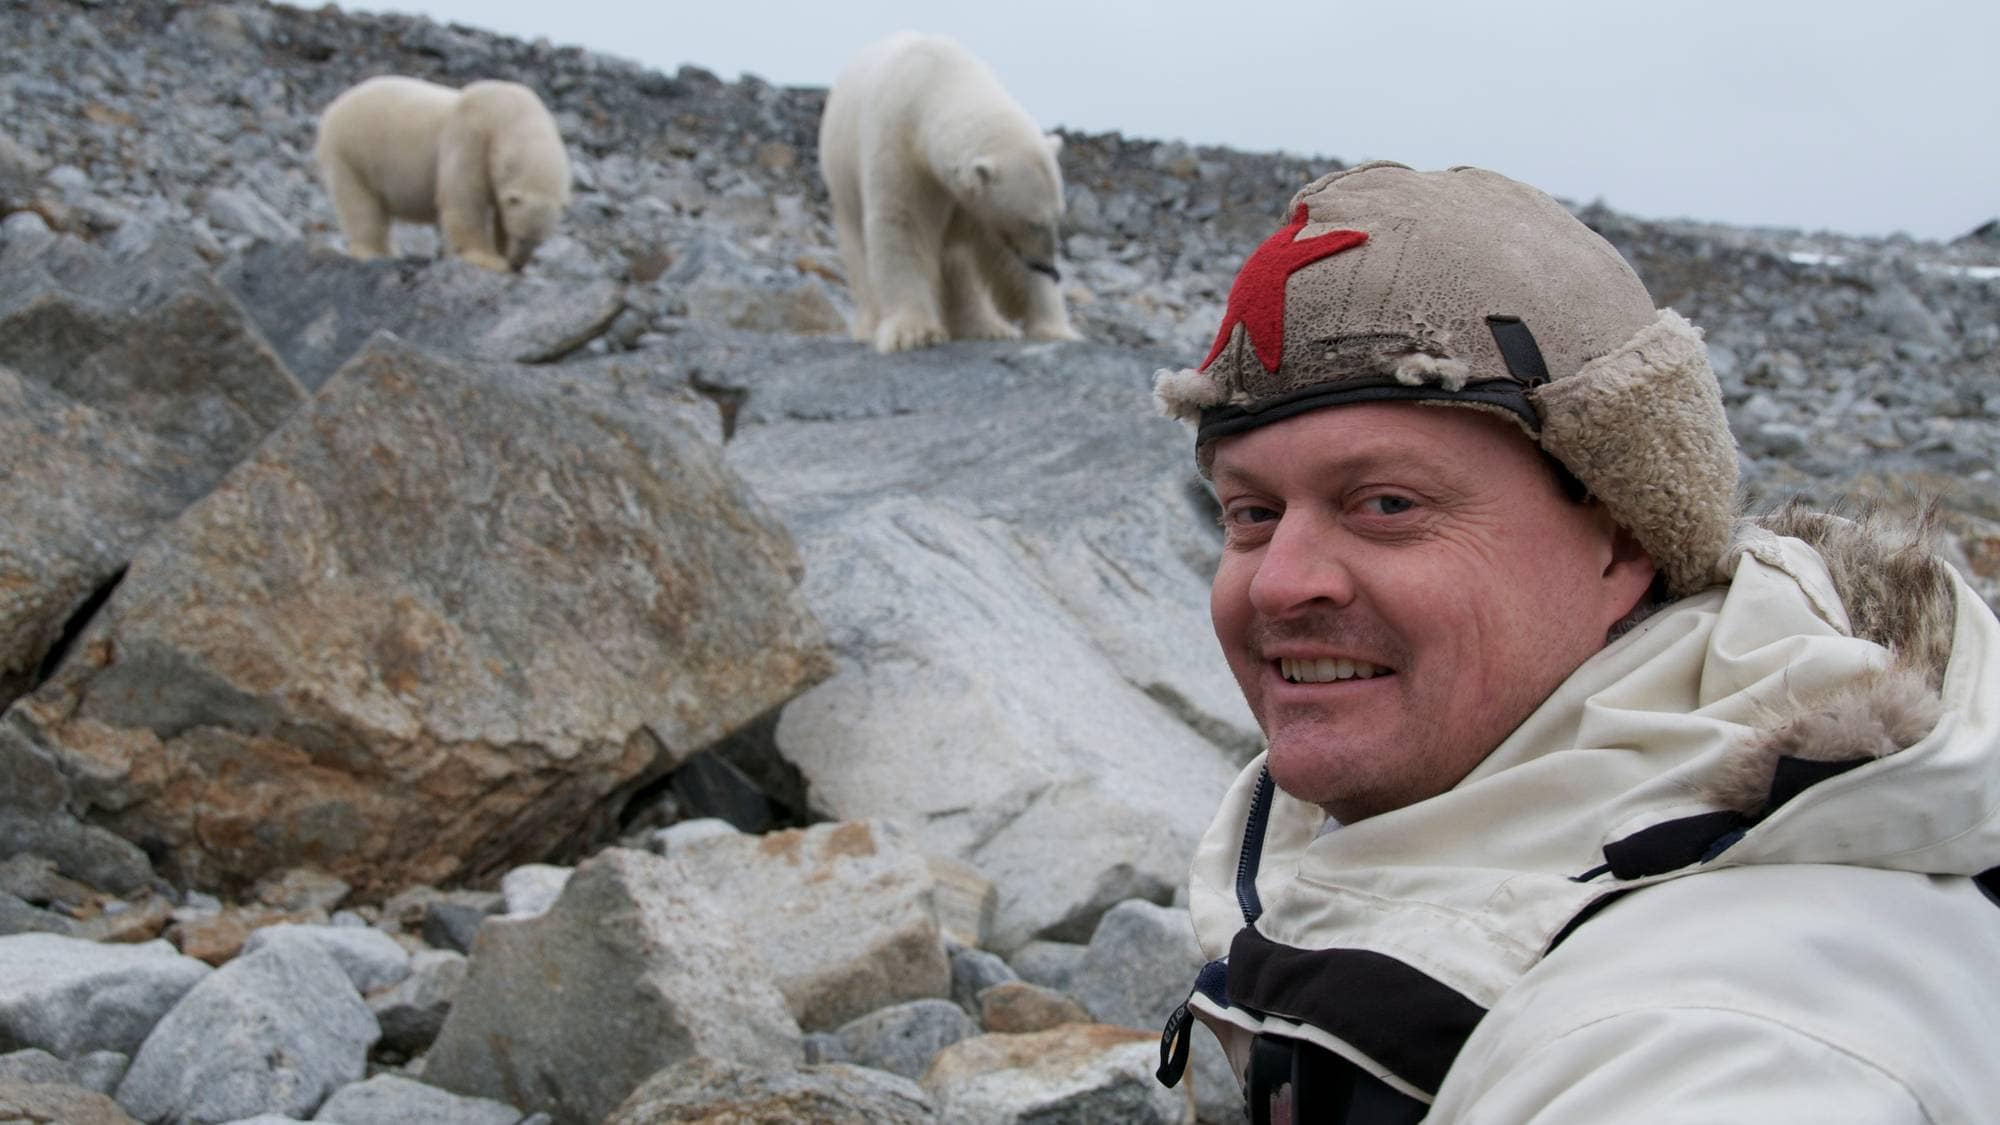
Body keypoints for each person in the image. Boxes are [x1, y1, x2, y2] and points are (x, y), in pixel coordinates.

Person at [1150, 161, 2000, 1123]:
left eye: (1387, 504)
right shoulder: (1420, 818)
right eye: (1251, 512)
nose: (1280, 579)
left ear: (1627, 539)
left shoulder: (1724, 1046)